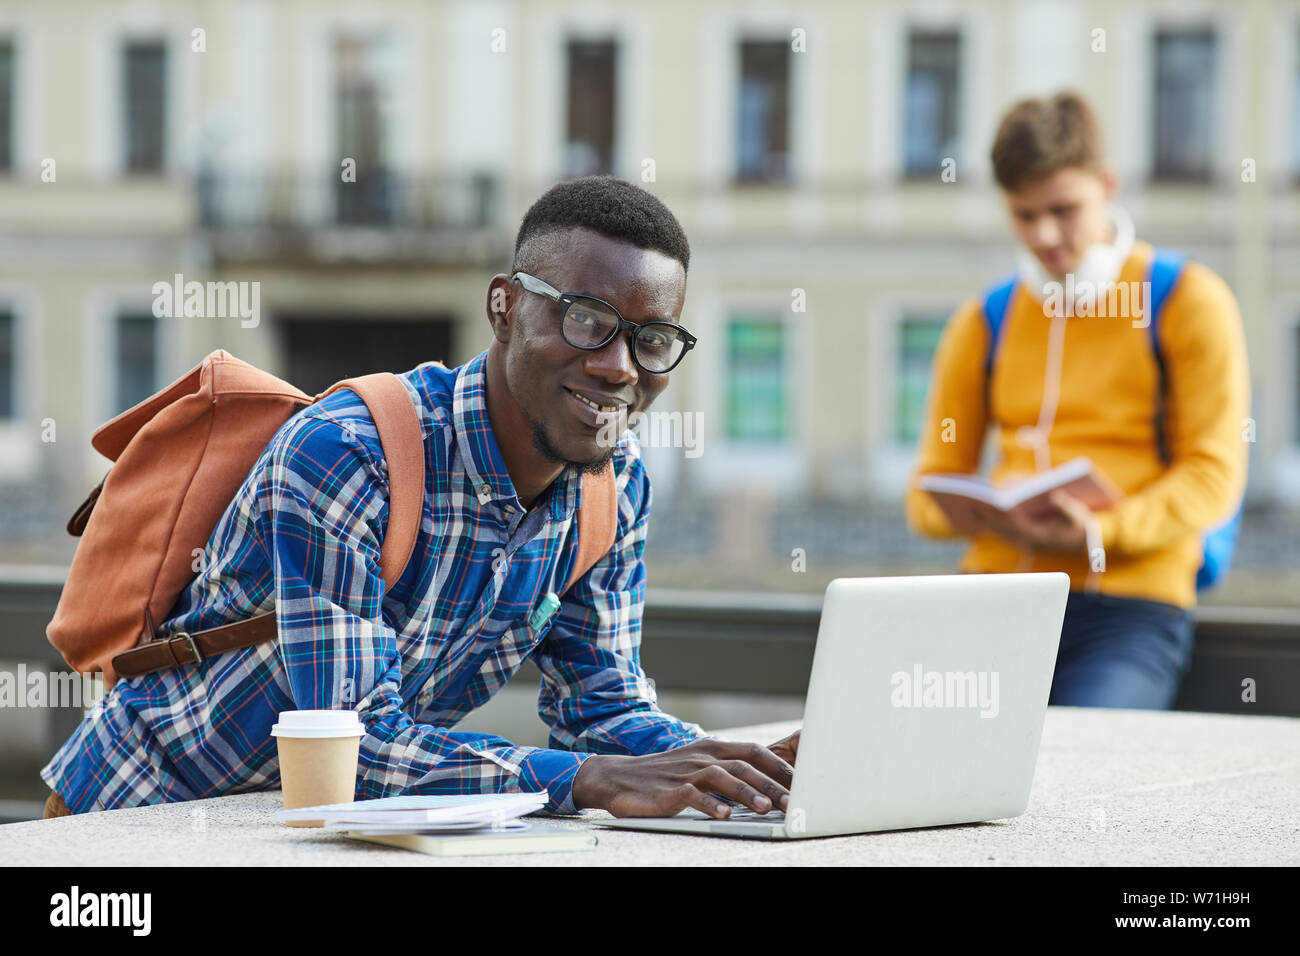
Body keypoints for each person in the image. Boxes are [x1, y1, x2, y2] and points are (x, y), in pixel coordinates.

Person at [42, 176, 797, 820]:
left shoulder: (614, 485)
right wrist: (587, 780)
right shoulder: (347, 453)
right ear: (504, 307)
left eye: (652, 338)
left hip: (314, 833)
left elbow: (605, 714)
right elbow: (353, 744)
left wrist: (748, 768)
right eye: (587, 322)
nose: (618, 367)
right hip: (148, 812)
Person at [904, 92, 1250, 709]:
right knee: (920, 759)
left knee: (1082, 768)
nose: (1045, 235)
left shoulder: (1189, 301)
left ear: (1107, 184)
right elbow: (929, 486)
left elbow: (1213, 474)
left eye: (1064, 209)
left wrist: (1099, 529)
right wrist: (969, 513)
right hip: (992, 593)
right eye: (1024, 214)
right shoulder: (983, 319)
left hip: (1131, 605)